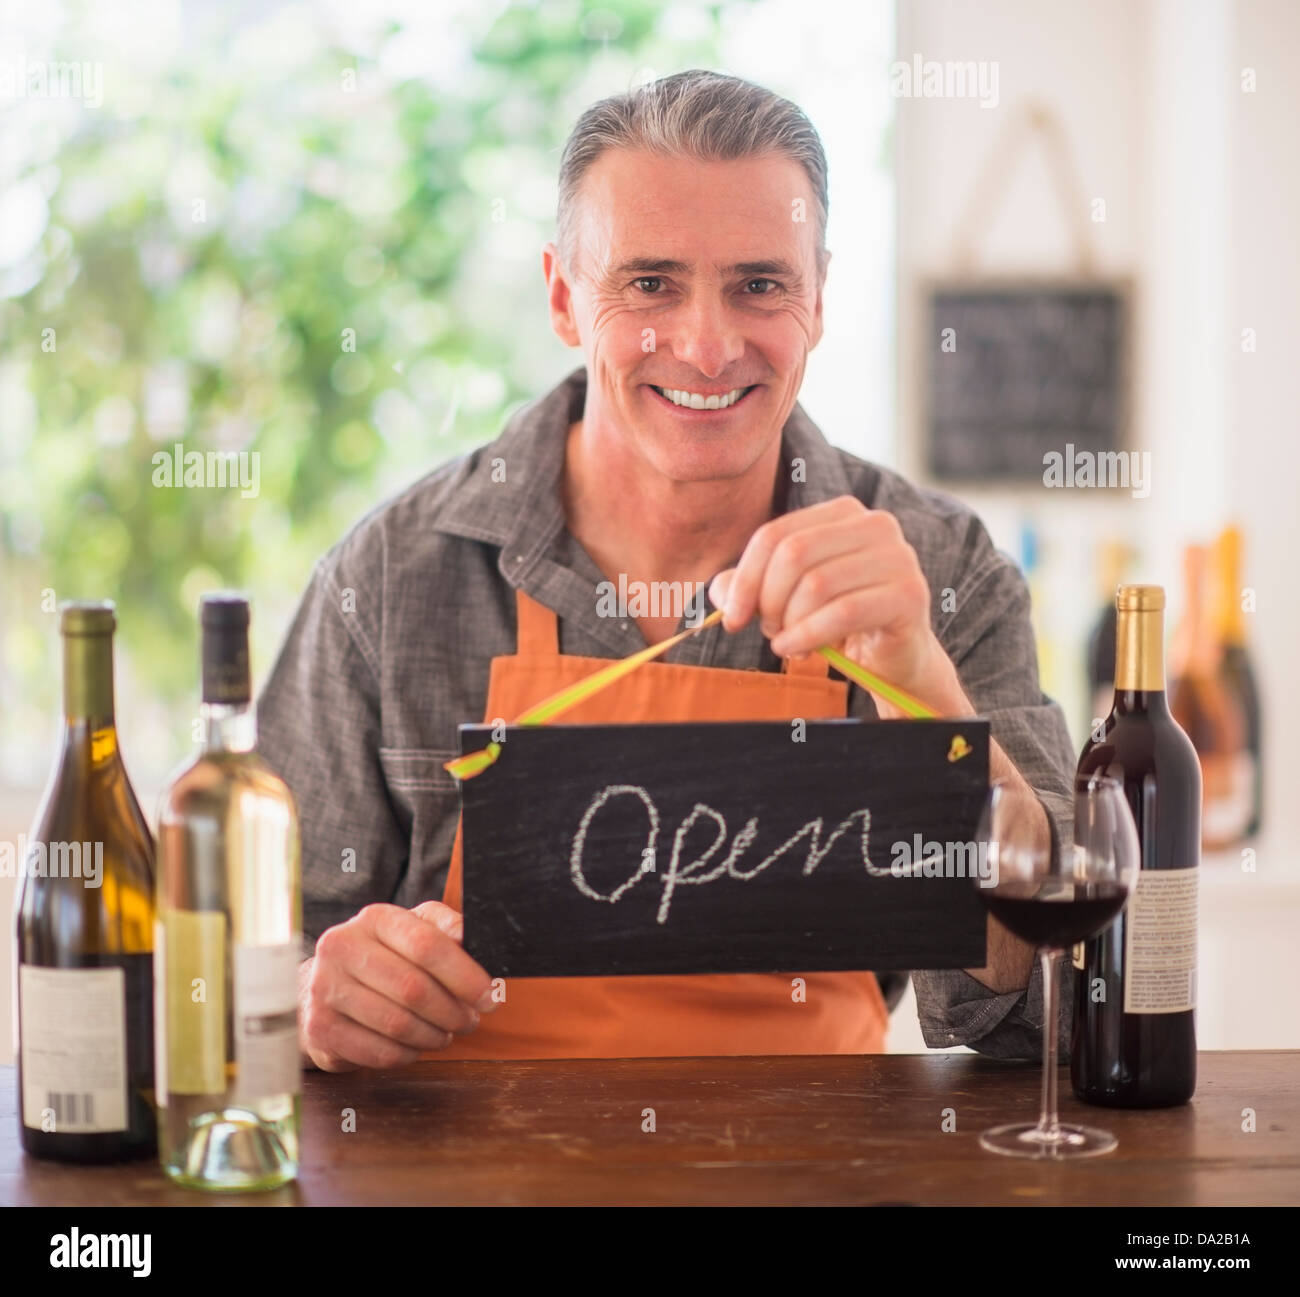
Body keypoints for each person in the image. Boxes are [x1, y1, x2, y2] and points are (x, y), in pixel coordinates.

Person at [259, 70, 1075, 1072]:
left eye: (759, 285)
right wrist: (310, 996)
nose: (706, 344)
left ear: (817, 298)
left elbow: (1042, 1012)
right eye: (649, 284)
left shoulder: (944, 572)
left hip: (816, 1175)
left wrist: (929, 702)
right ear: (563, 297)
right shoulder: (388, 578)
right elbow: (227, 967)